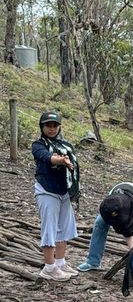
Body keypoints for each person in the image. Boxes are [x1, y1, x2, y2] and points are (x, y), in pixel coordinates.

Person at [32, 110, 80, 282]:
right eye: (48, 125)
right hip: (47, 190)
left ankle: (60, 262)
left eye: (55, 125)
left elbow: (73, 165)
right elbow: (45, 157)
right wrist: (60, 161)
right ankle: (49, 267)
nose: (51, 129)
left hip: (63, 191)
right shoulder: (38, 145)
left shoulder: (65, 145)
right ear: (42, 127)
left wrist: (70, 165)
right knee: (50, 227)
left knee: (64, 228)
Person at [77, 182, 133, 271]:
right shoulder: (107, 206)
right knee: (99, 224)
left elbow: (127, 229)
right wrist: (132, 251)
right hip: (117, 196)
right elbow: (124, 230)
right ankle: (93, 262)